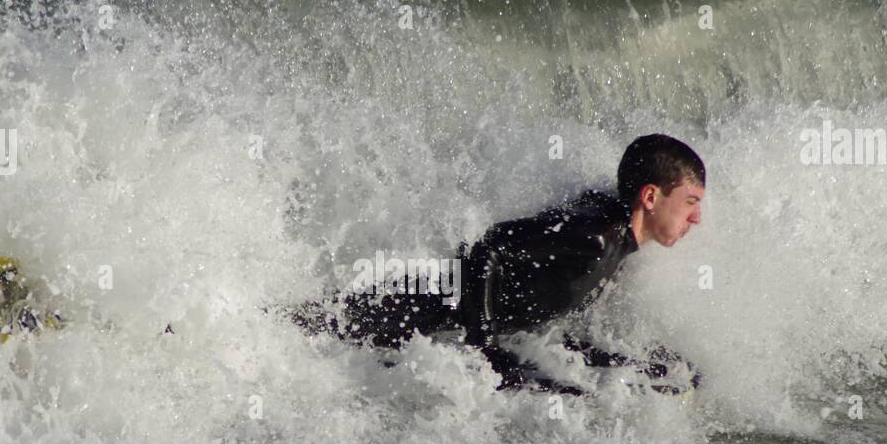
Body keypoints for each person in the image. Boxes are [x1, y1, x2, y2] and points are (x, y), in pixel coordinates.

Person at [291, 134, 706, 395]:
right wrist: (486, 347)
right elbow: (490, 246)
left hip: (434, 321)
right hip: (414, 306)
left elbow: (549, 314)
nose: (696, 218)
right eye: (690, 202)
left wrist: (635, 364)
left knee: (318, 333)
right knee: (309, 332)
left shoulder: (617, 242)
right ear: (650, 197)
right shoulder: (595, 238)